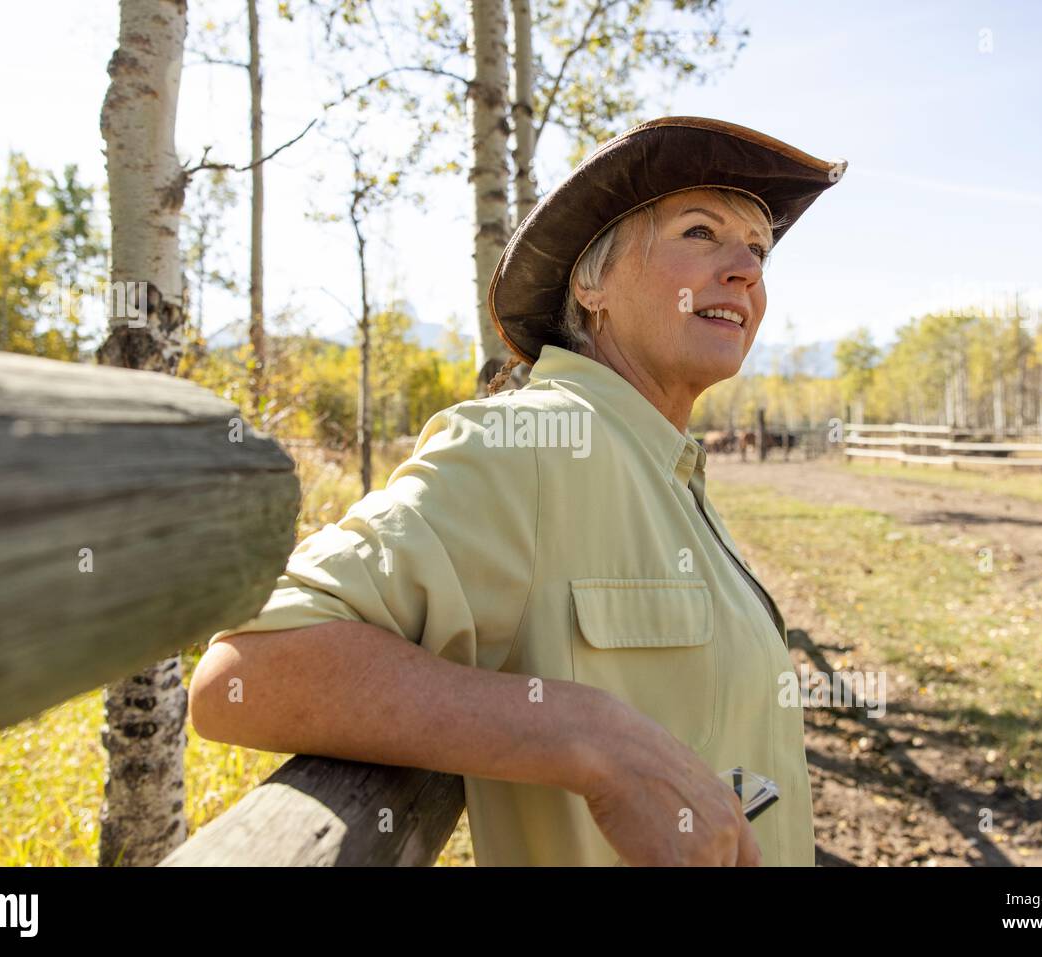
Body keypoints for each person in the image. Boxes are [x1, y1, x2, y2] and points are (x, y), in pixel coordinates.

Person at [190, 115, 846, 866]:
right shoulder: (528, 448)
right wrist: (590, 734)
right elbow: (244, 671)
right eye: (701, 232)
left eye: (758, 249)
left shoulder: (670, 470)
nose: (748, 269)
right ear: (591, 282)